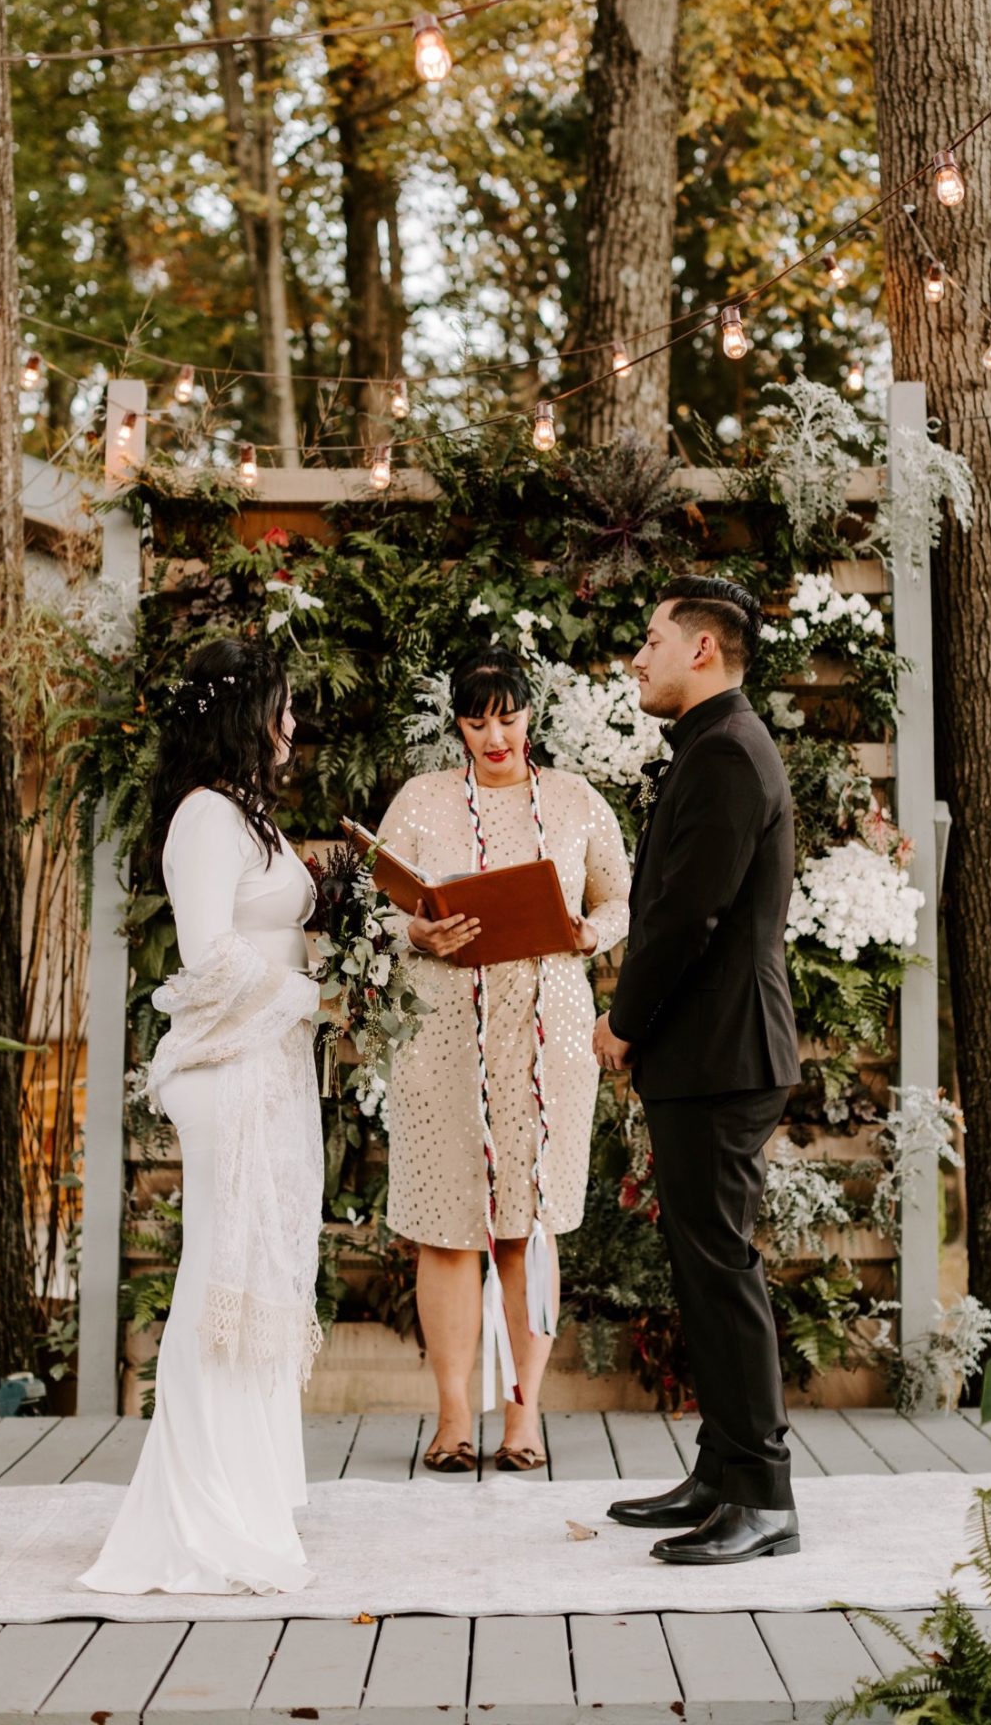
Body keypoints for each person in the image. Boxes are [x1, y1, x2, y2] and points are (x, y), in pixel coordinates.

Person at [80, 637, 323, 1596]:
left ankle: (250, 1492)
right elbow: (210, 956)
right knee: (221, 1273)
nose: (292, 725)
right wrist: (319, 998)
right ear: (242, 717)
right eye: (282, 707)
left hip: (270, 1065)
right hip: (227, 1073)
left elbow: (274, 932)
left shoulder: (247, 818)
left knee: (262, 1267)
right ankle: (197, 1508)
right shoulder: (203, 819)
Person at [377, 644, 630, 1473]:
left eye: (509, 718)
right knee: (447, 1233)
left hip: (547, 1037)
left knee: (527, 1231)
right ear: (455, 721)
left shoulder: (575, 801)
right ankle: (453, 1418)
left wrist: (595, 931)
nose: (494, 736)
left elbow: (621, 895)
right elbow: (374, 905)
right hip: (441, 1039)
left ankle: (524, 1417)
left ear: (530, 716)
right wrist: (414, 930)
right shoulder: (418, 802)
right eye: (477, 720)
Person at [593, 576, 801, 1566]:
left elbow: (691, 913)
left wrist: (624, 1024)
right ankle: (723, 1469)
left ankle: (763, 1494)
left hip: (723, 1052)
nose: (638, 655)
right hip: (709, 1052)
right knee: (704, 1265)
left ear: (703, 650)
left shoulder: (726, 753)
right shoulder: (715, 748)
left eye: (650, 635)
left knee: (722, 1271)